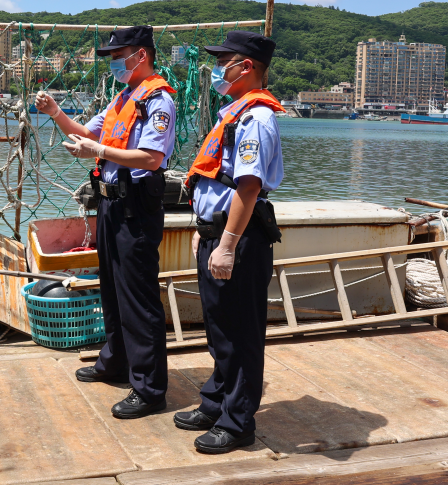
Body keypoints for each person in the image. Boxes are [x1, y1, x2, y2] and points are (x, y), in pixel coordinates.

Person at [36, 25, 177, 420]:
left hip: (136, 207)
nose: (115, 63)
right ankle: (114, 362)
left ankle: (149, 389)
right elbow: (85, 133)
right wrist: (56, 113)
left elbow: (151, 158)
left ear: (142, 55)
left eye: (120, 55)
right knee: (113, 290)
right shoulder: (122, 99)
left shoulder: (158, 101)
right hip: (111, 206)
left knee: (138, 298)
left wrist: (96, 149)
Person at [176, 30, 285, 454]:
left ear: (248, 67)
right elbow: (210, 180)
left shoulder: (256, 119)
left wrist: (226, 245)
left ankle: (238, 422)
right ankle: (217, 401)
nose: (220, 66)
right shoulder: (234, 112)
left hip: (238, 237)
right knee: (219, 328)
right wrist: (202, 233)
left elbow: (248, 186)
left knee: (240, 332)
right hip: (216, 231)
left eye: (227, 59)